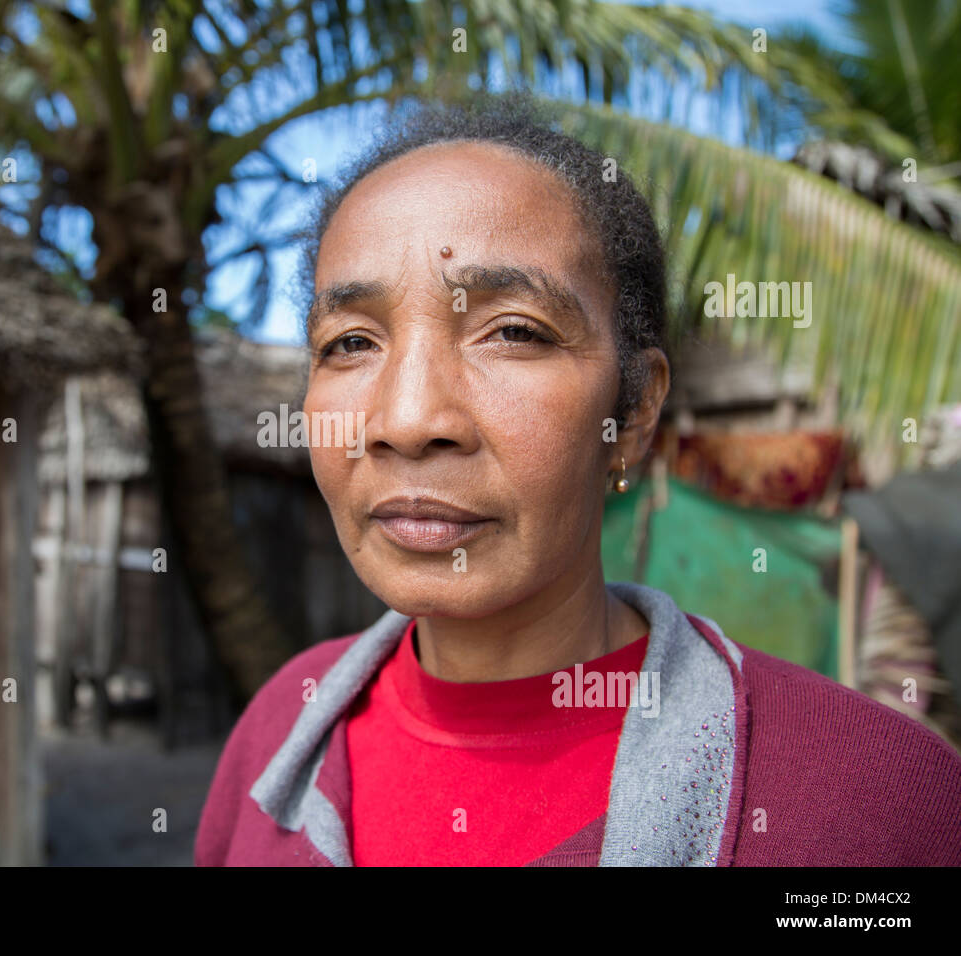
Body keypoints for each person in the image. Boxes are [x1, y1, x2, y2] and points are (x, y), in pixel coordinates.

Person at [195, 94, 961, 866]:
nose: (407, 418)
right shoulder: (278, 736)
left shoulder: (875, 803)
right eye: (351, 342)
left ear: (632, 414)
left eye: (515, 332)